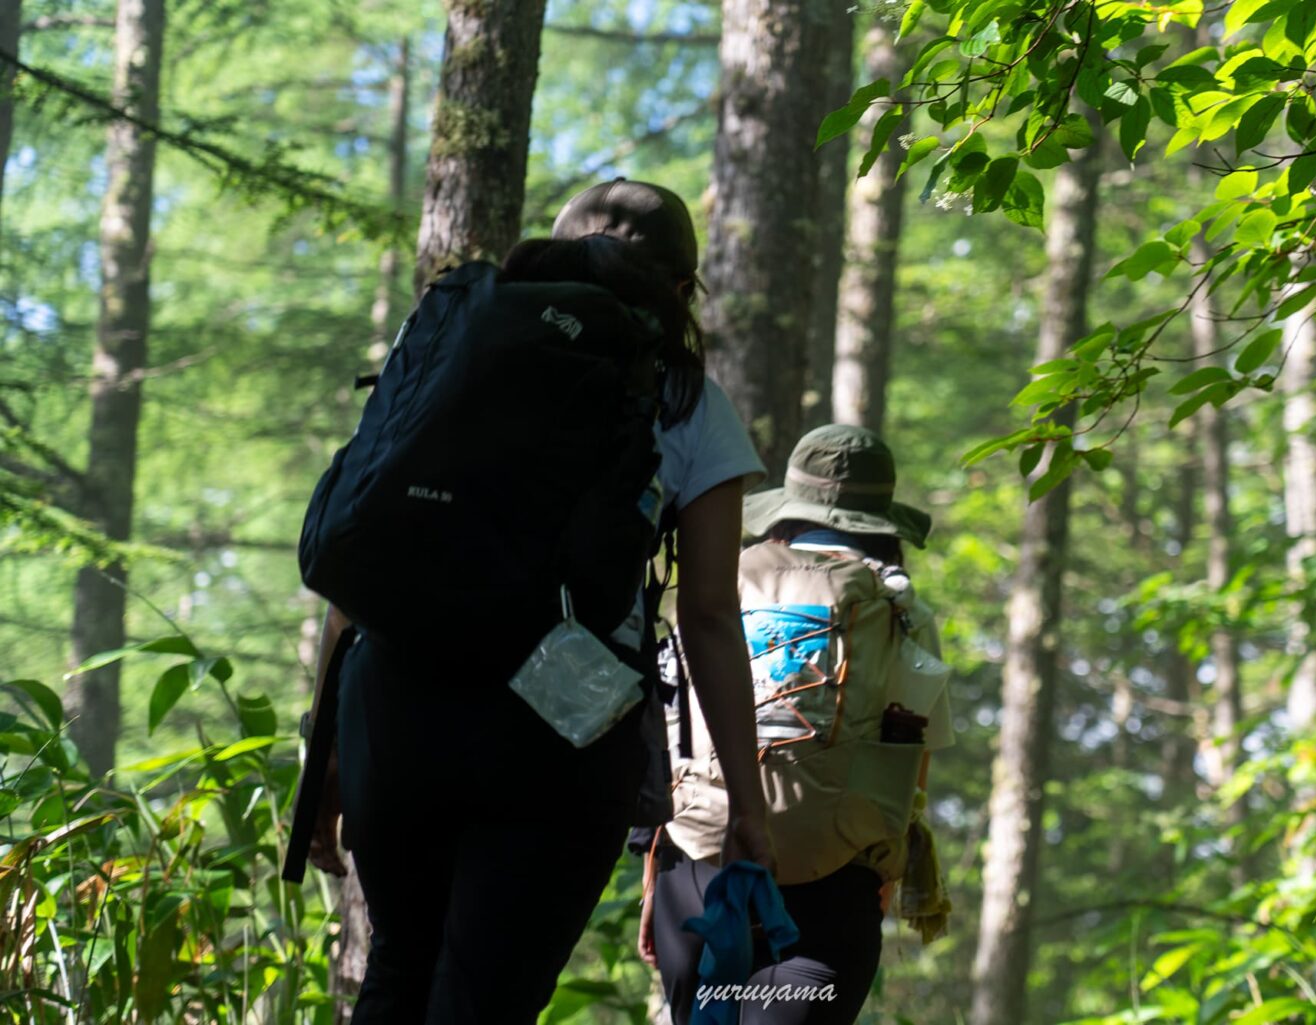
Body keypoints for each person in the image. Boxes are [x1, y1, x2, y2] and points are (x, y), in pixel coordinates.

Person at [305, 181, 776, 1025]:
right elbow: (708, 612)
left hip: (395, 699)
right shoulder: (686, 398)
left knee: (399, 969)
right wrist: (747, 802)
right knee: (486, 999)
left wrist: (327, 749)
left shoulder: (448, 340)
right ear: (679, 291)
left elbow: (363, 544)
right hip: (554, 728)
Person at [642, 424, 954, 1025]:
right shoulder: (900, 611)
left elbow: (667, 726)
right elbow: (913, 765)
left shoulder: (716, 585)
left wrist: (656, 879)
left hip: (699, 867)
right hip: (831, 883)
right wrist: (888, 865)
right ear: (880, 517)